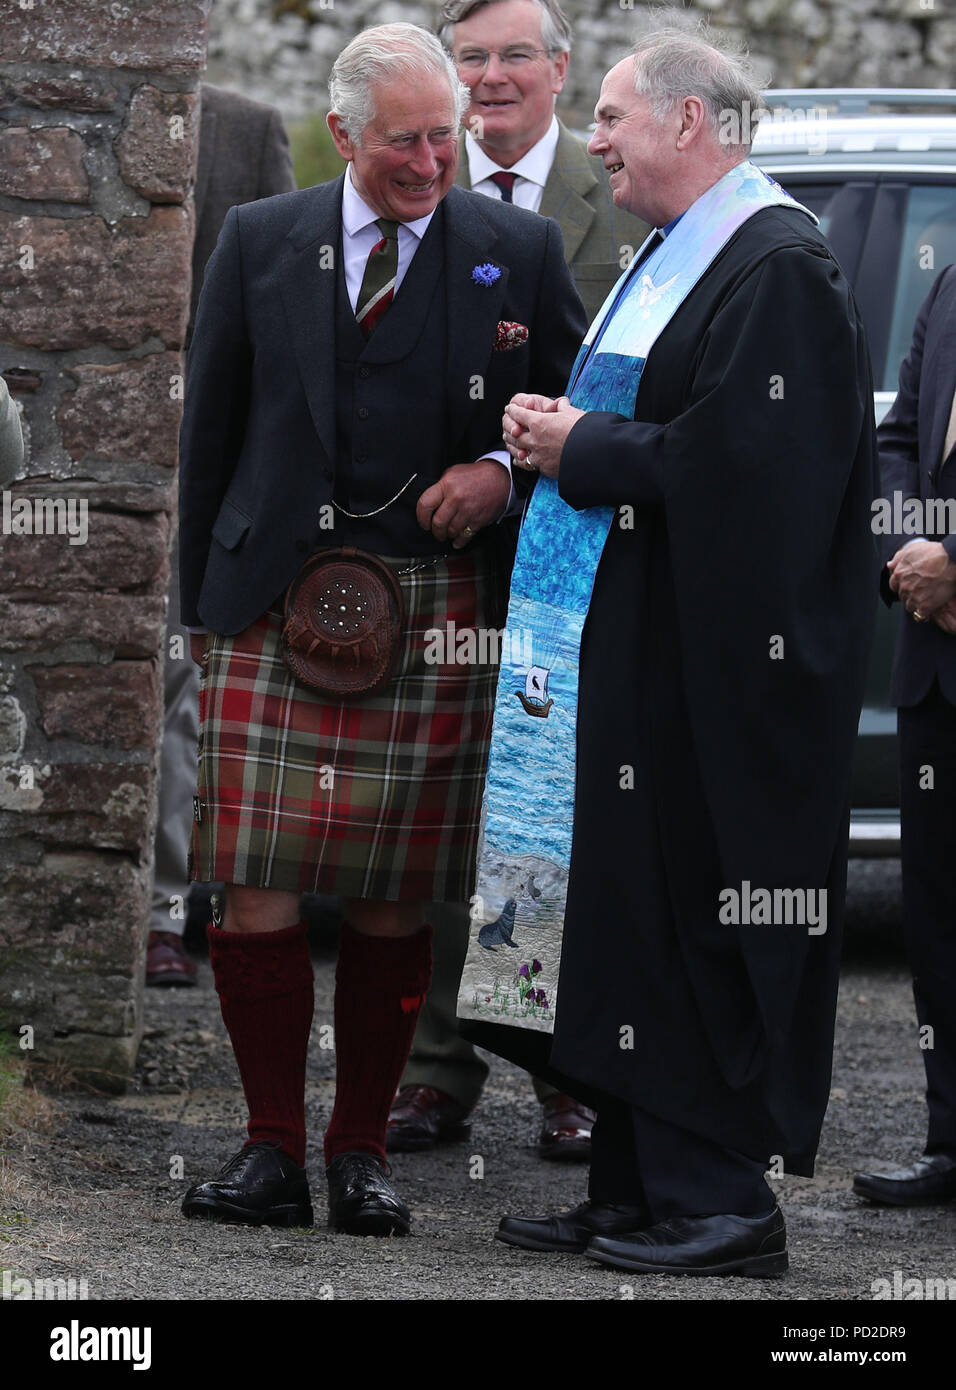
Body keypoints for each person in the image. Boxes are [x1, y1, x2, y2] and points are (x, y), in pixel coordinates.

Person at [480, 21, 878, 1276]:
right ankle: (632, 1187)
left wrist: (578, 450)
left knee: (682, 924)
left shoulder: (776, 268)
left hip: (713, 681)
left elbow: (758, 472)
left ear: (689, 123)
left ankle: (722, 1205)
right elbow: (659, 420)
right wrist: (565, 423)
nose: (588, 143)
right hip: (626, 664)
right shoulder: (672, 252)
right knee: (615, 921)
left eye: (607, 119)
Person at [176, 22, 585, 1237]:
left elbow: (567, 418)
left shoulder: (515, 246)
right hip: (274, 598)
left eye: (442, 135)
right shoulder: (262, 240)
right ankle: (269, 1150)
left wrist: (497, 476)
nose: (428, 161)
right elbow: (212, 432)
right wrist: (205, 610)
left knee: (390, 900)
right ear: (344, 133)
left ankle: (359, 1153)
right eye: (401, 139)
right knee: (252, 890)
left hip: (432, 614)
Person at [391, 0, 649, 1163]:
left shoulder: (627, 199)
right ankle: (433, 1067)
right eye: (470, 60)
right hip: (427, 566)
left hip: (577, 561)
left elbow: (626, 387)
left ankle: (563, 1070)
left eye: (512, 58)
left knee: (558, 819)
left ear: (558, 69)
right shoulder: (408, 183)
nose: (489, 80)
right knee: (444, 817)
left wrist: (507, 469)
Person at [147, 85, 296, 988]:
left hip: (217, 465)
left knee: (190, 683)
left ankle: (172, 911)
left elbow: (278, 314)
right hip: (89, 448)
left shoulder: (246, 129)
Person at [853, 266, 956, 1207]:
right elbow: (897, 440)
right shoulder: (951, 281)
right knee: (937, 918)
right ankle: (950, 1140)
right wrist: (917, 554)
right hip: (937, 669)